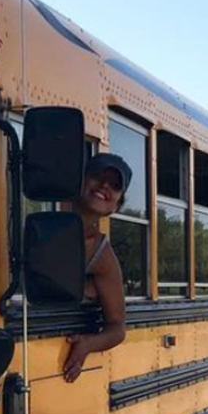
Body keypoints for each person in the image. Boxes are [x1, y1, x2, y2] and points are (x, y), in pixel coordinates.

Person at [63, 153, 130, 383]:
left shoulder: (101, 255)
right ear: (80, 180)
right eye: (97, 176)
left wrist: (88, 344)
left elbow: (117, 327)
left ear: (116, 205)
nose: (104, 186)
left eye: (115, 185)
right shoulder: (37, 216)